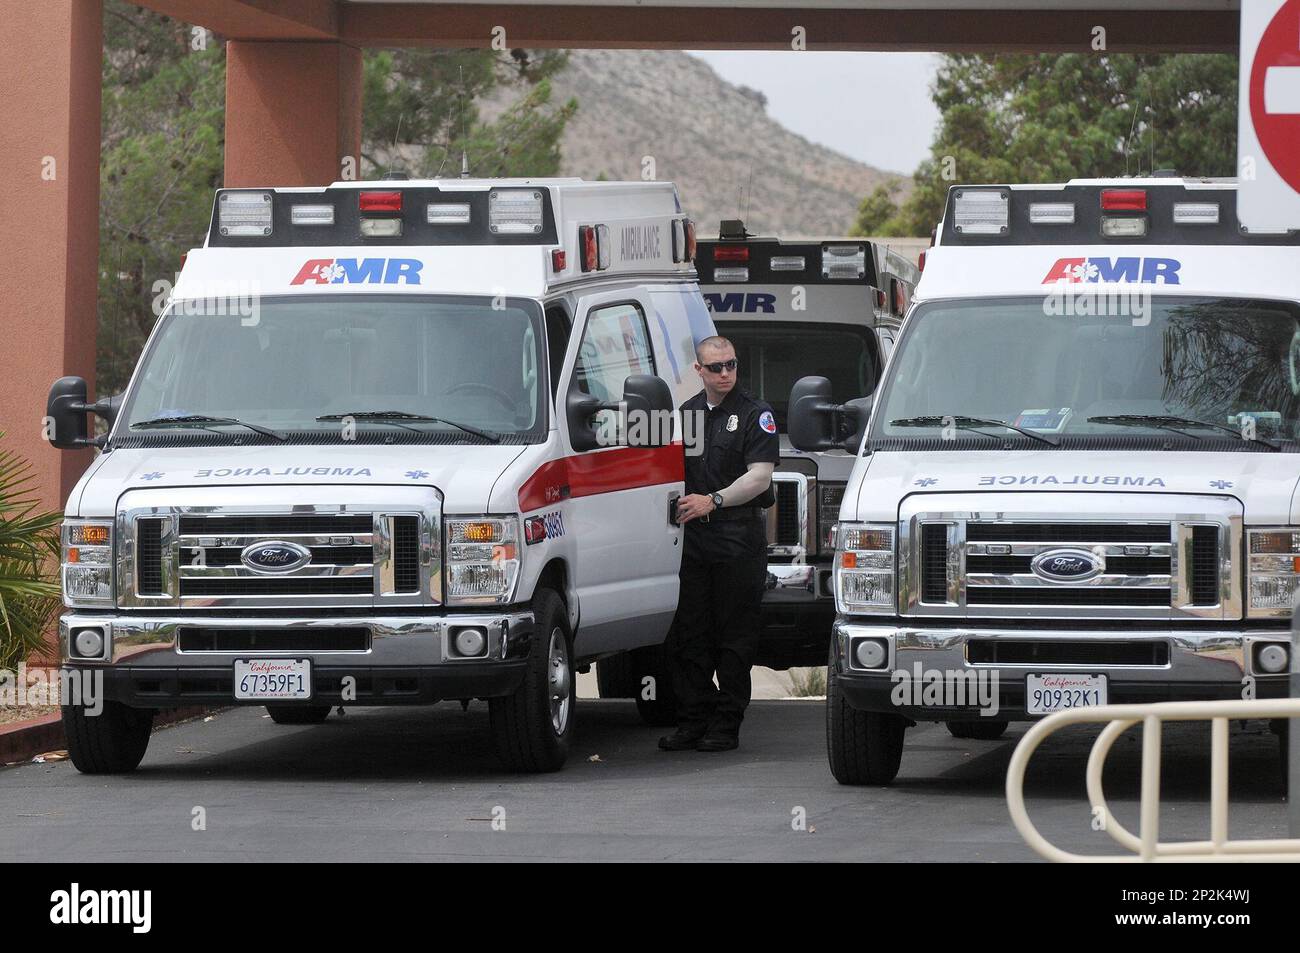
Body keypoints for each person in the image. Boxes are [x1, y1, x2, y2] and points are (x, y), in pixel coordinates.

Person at [658, 335, 778, 752]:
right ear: (699, 371)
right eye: (716, 367)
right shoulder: (686, 415)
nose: (726, 373)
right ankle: (694, 719)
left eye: (731, 364)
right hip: (693, 542)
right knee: (688, 635)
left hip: (737, 539)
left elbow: (760, 477)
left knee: (734, 638)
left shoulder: (754, 413)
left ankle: (726, 724)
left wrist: (715, 500)